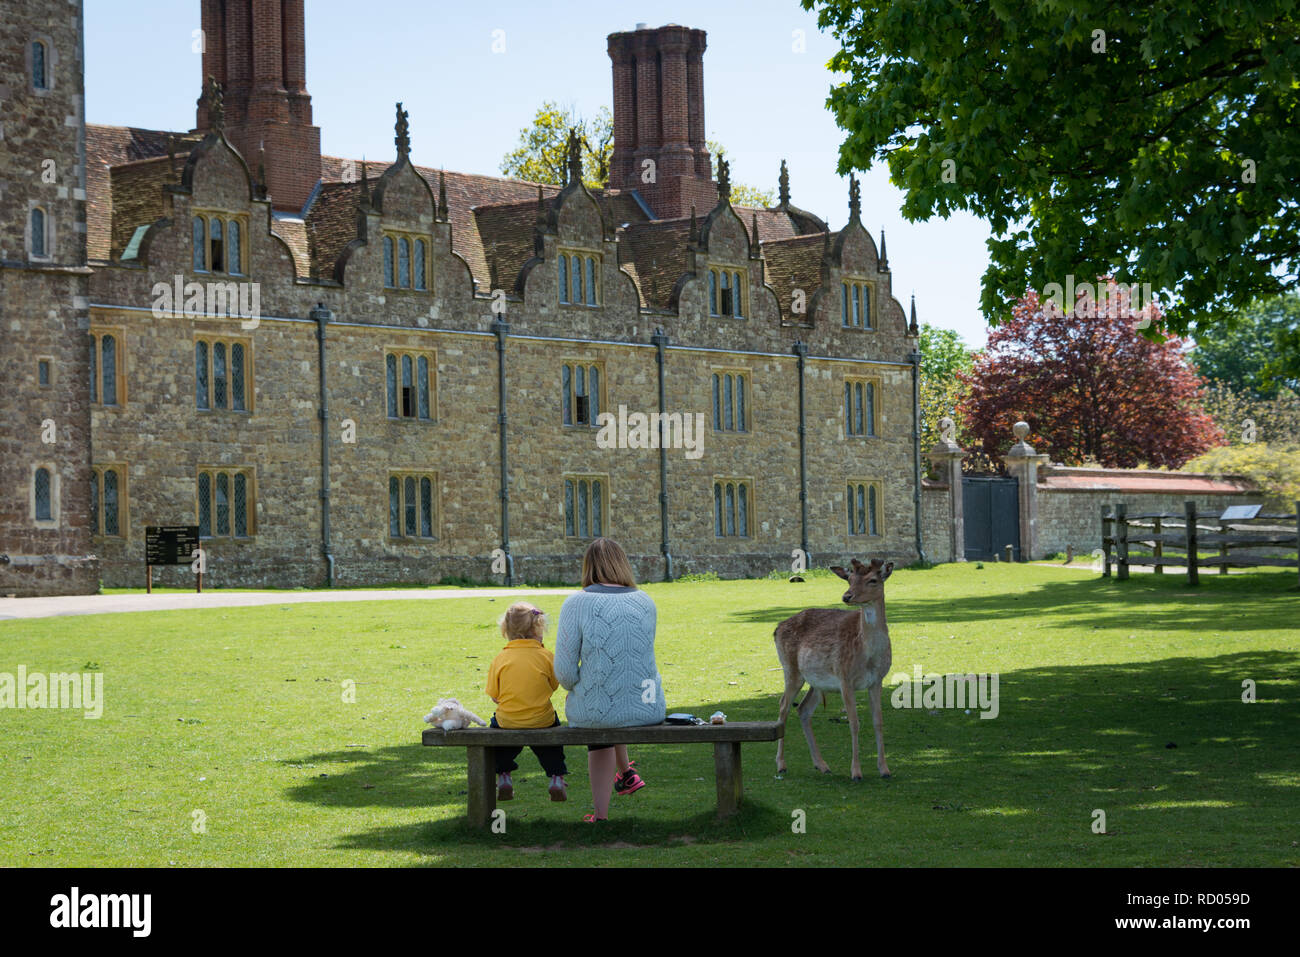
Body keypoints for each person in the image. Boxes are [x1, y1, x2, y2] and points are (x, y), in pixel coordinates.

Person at [554, 538, 663, 822]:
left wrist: (577, 688)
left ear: (588, 567)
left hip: (598, 710)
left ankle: (601, 816)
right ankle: (626, 773)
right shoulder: (645, 601)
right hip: (649, 707)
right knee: (609, 699)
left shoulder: (576, 603)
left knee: (598, 707)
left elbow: (564, 673)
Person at [485, 601, 567, 802]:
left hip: (508, 721)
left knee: (499, 735)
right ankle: (556, 777)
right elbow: (554, 686)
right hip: (542, 719)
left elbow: (494, 695)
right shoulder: (546, 656)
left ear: (506, 629)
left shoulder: (500, 659)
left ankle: (503, 775)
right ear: (538, 628)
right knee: (551, 743)